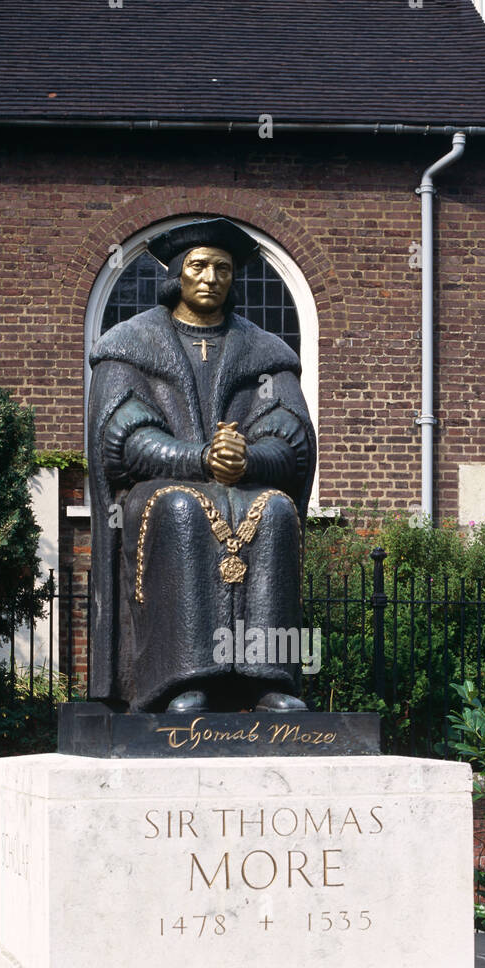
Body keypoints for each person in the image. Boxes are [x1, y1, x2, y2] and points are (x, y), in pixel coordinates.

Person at [86, 219, 317, 713]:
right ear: (177, 275)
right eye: (198, 266)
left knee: (274, 512)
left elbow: (290, 436)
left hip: (244, 485)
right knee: (181, 509)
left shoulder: (266, 353)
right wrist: (199, 459)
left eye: (223, 268)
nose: (210, 277)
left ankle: (267, 679)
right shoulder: (129, 344)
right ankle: (179, 680)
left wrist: (248, 458)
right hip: (158, 487)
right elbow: (123, 438)